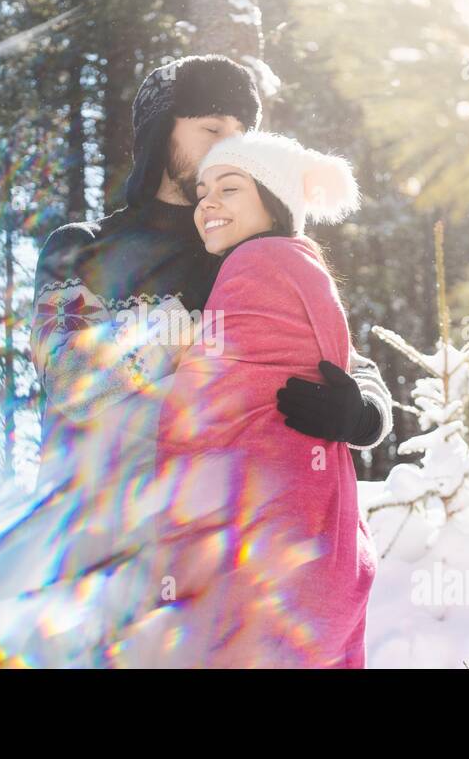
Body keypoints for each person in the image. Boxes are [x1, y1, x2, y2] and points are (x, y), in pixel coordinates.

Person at [29, 55, 392, 500]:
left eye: (240, 136)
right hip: (92, 539)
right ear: (161, 133)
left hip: (219, 542)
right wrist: (187, 331)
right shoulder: (80, 247)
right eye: (212, 129)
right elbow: (69, 380)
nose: (227, 147)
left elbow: (347, 360)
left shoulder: (259, 254)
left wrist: (362, 415)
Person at [152, 131, 380, 668]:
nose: (207, 202)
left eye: (229, 188)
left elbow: (211, 403)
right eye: (203, 190)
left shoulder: (264, 264)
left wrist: (365, 413)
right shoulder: (293, 264)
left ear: (275, 202)